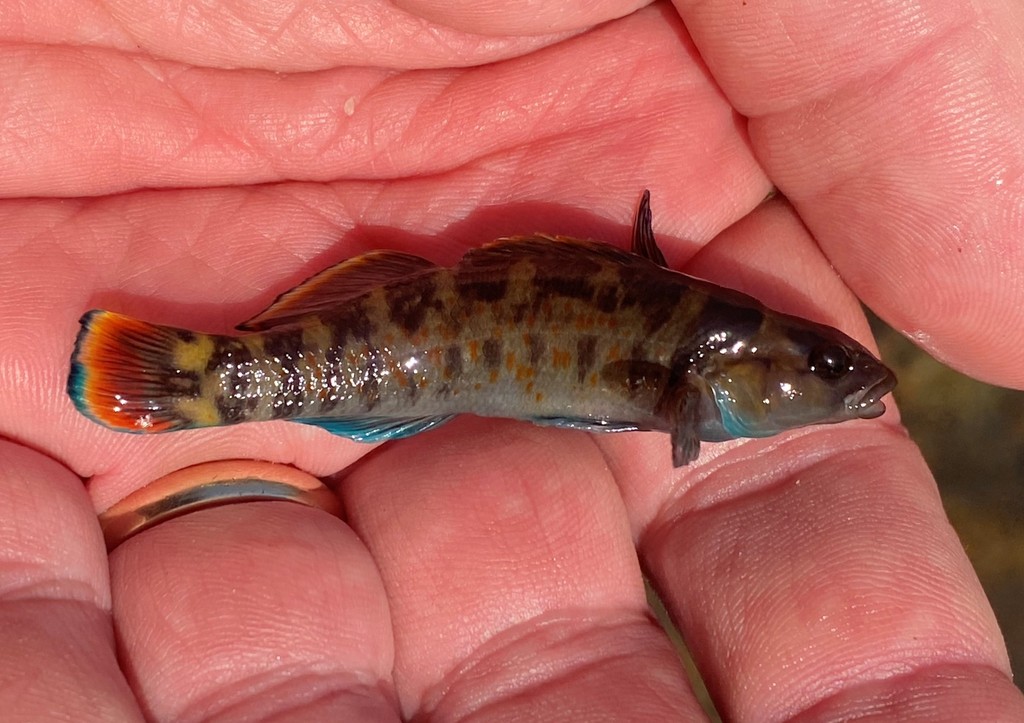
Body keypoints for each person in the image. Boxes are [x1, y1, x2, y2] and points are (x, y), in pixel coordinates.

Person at [1, 2, 1022, 719]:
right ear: (739, 376)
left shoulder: (705, 351)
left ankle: (195, 379)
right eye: (827, 373)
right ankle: (189, 379)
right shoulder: (698, 372)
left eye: (833, 371)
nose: (852, 384)